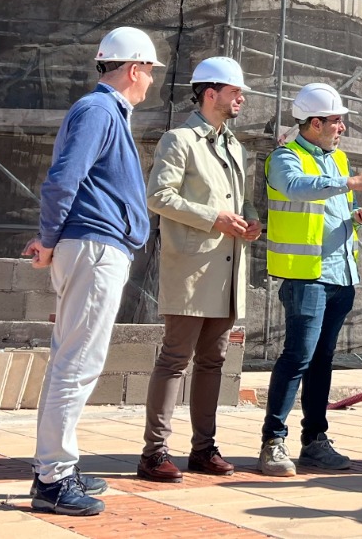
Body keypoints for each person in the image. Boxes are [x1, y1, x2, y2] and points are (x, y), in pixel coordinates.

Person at [26, 27, 163, 516]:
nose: (151, 82)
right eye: (149, 71)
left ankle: (56, 466)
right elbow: (62, 180)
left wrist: (52, 239)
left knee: (72, 359)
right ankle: (54, 478)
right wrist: (48, 238)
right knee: (76, 364)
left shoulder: (103, 113)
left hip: (93, 247)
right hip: (94, 248)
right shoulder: (99, 111)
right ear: (133, 69)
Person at [257, 83, 362, 477]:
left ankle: (315, 441)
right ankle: (273, 441)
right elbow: (296, 188)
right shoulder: (286, 157)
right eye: (337, 121)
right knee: (298, 356)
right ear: (314, 123)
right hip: (306, 276)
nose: (342, 129)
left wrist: (356, 217)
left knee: (322, 361)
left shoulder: (339, 160)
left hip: (340, 274)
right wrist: (350, 184)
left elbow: (331, 215)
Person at [138, 56, 262, 483]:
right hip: (192, 267)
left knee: (214, 361)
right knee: (175, 358)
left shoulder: (234, 147)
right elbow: (159, 197)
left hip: (227, 272)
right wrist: (215, 219)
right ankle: (154, 453)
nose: (241, 99)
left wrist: (248, 221)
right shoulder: (179, 140)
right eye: (235, 92)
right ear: (211, 94)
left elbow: (236, 203)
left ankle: (203, 449)